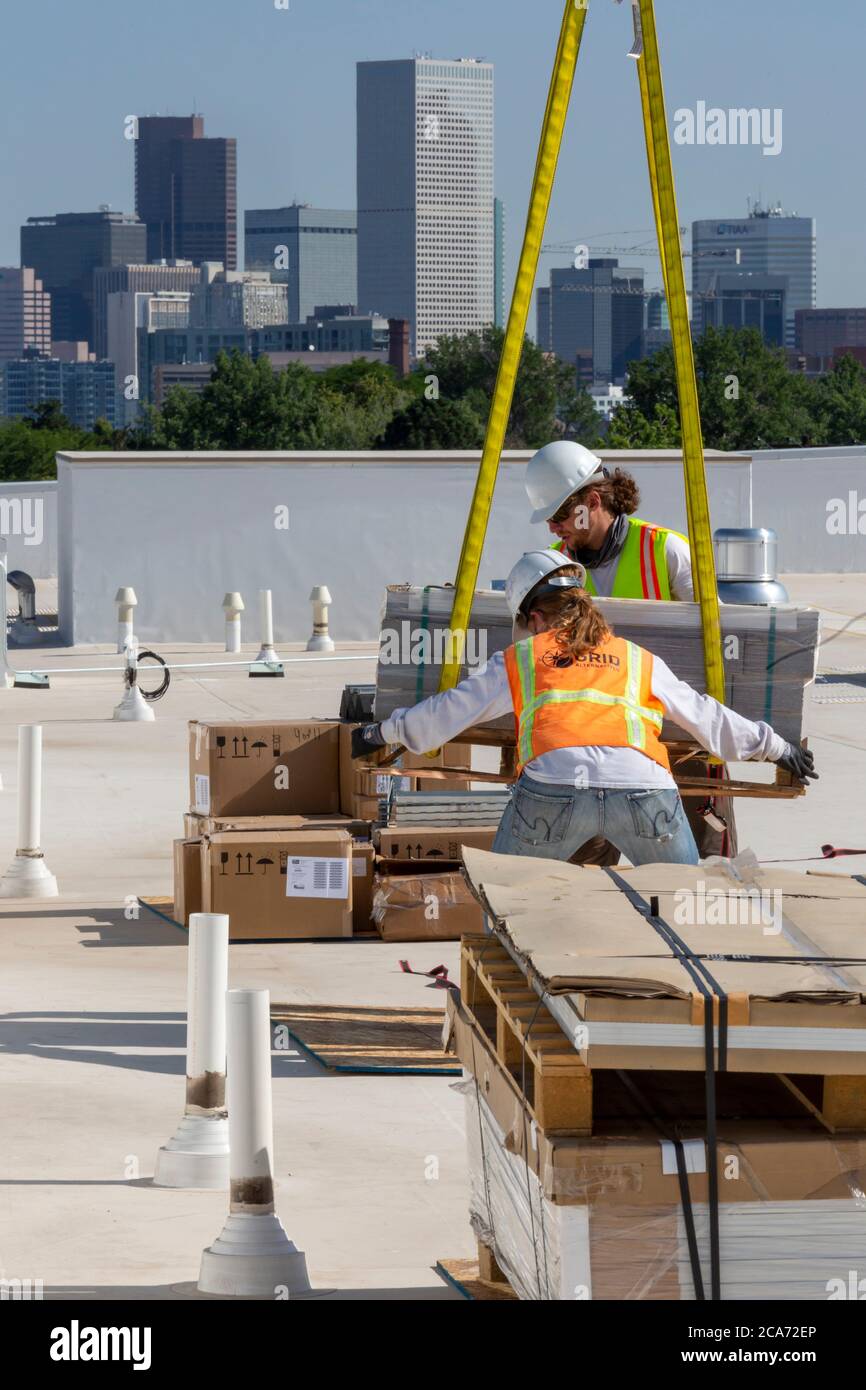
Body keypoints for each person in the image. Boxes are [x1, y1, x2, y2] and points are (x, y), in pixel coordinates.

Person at [352, 552, 816, 868]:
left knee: (507, 901)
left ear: (533, 618)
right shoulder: (636, 658)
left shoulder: (523, 659)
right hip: (644, 789)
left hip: (553, 790)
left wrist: (383, 733)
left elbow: (447, 714)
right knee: (681, 904)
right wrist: (776, 747)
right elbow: (706, 716)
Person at [526, 439, 733, 860]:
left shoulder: (665, 551)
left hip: (679, 737)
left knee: (702, 871)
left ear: (592, 501)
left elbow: (722, 639)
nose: (552, 528)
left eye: (558, 515)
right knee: (577, 878)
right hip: (592, 742)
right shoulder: (553, 566)